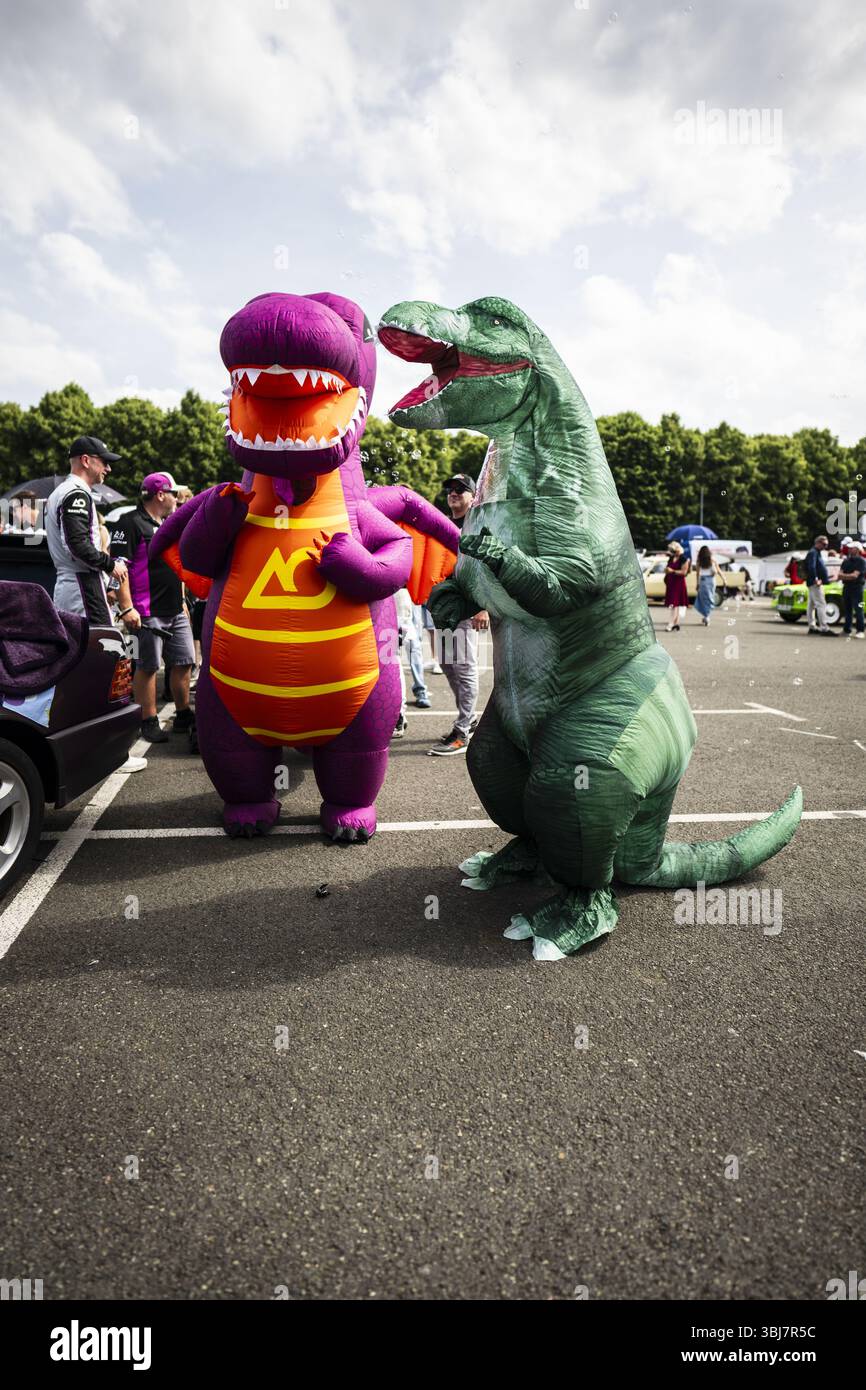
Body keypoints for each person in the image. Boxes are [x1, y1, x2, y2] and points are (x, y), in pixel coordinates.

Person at [109, 471, 195, 742]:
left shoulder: (169, 523)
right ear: (160, 495)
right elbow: (119, 569)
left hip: (174, 608)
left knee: (184, 662)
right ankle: (148, 719)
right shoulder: (130, 523)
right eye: (173, 493)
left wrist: (182, 600)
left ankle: (182, 714)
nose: (176, 498)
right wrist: (126, 608)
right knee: (147, 666)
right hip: (146, 611)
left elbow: (177, 566)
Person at [429, 473, 489, 756]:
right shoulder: (443, 524)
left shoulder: (478, 526)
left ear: (472, 496)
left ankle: (463, 731)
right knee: (447, 664)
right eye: (450, 489)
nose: (453, 493)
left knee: (464, 668)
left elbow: (487, 570)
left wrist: (482, 607)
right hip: (444, 610)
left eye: (460, 490)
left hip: (467, 608)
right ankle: (469, 718)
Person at [45, 436, 127, 624]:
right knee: (104, 649)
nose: (109, 468)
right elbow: (78, 546)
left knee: (76, 650)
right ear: (86, 461)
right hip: (83, 587)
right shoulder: (76, 493)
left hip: (73, 586)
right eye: (105, 462)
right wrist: (111, 565)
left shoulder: (62, 491)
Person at [804, 534, 837, 636]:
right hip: (815, 583)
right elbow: (812, 567)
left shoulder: (815, 552)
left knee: (811, 605)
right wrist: (816, 579)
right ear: (818, 543)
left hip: (813, 582)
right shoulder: (814, 553)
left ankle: (812, 626)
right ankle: (824, 628)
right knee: (821, 604)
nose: (825, 547)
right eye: (824, 544)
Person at [839, 539, 866, 637]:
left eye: (852, 548)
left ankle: (860, 631)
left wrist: (844, 576)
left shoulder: (862, 561)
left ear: (857, 549)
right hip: (847, 587)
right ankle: (847, 630)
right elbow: (839, 575)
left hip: (857, 587)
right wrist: (848, 576)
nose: (849, 549)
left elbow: (855, 576)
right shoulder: (846, 561)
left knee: (858, 609)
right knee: (847, 609)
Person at [693, 544, 723, 626]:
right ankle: (707, 616)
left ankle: (706, 616)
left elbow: (698, 573)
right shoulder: (712, 560)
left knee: (703, 599)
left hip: (703, 580)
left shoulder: (699, 561)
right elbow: (718, 570)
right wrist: (724, 579)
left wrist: (697, 583)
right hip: (712, 581)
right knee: (710, 598)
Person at [663, 540, 690, 631]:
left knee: (674, 604)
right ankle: (676, 623)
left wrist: (672, 571)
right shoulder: (671, 558)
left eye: (674, 550)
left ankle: (670, 624)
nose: (673, 552)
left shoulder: (684, 559)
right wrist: (666, 570)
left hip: (679, 584)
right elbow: (668, 568)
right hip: (671, 583)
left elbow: (684, 572)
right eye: (672, 550)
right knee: (675, 604)